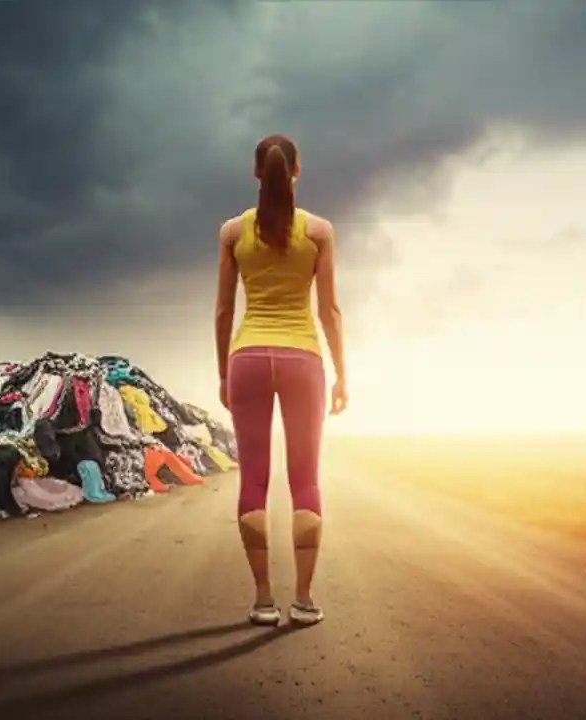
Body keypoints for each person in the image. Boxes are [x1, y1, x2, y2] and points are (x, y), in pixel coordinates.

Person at [214, 133, 348, 627]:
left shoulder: (232, 233)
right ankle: (305, 600)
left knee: (253, 478)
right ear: (298, 169)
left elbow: (225, 310)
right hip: (302, 359)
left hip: (248, 356)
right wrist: (340, 375)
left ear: (256, 173)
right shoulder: (319, 232)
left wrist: (224, 373)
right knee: (305, 480)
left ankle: (264, 600)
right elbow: (329, 311)